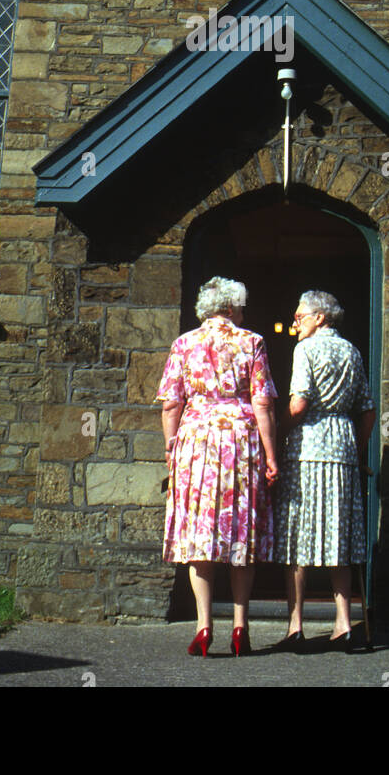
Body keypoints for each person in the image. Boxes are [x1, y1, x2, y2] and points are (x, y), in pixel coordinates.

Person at [155, 275, 278, 656]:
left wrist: (170, 448)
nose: (243, 310)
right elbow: (263, 403)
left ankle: (203, 627)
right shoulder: (251, 342)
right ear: (228, 306)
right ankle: (240, 627)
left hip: (196, 442)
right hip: (240, 441)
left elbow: (171, 403)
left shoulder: (184, 343)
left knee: (200, 534)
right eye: (240, 304)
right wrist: (272, 456)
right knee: (241, 535)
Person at [274, 290, 376, 650]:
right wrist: (358, 451)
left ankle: (295, 625)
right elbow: (367, 410)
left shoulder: (306, 350)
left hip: (308, 448)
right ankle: (344, 622)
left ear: (320, 317)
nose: (295, 322)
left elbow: (299, 403)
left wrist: (275, 433)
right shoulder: (352, 351)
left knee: (298, 536)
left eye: (300, 316)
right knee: (339, 534)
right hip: (343, 448)